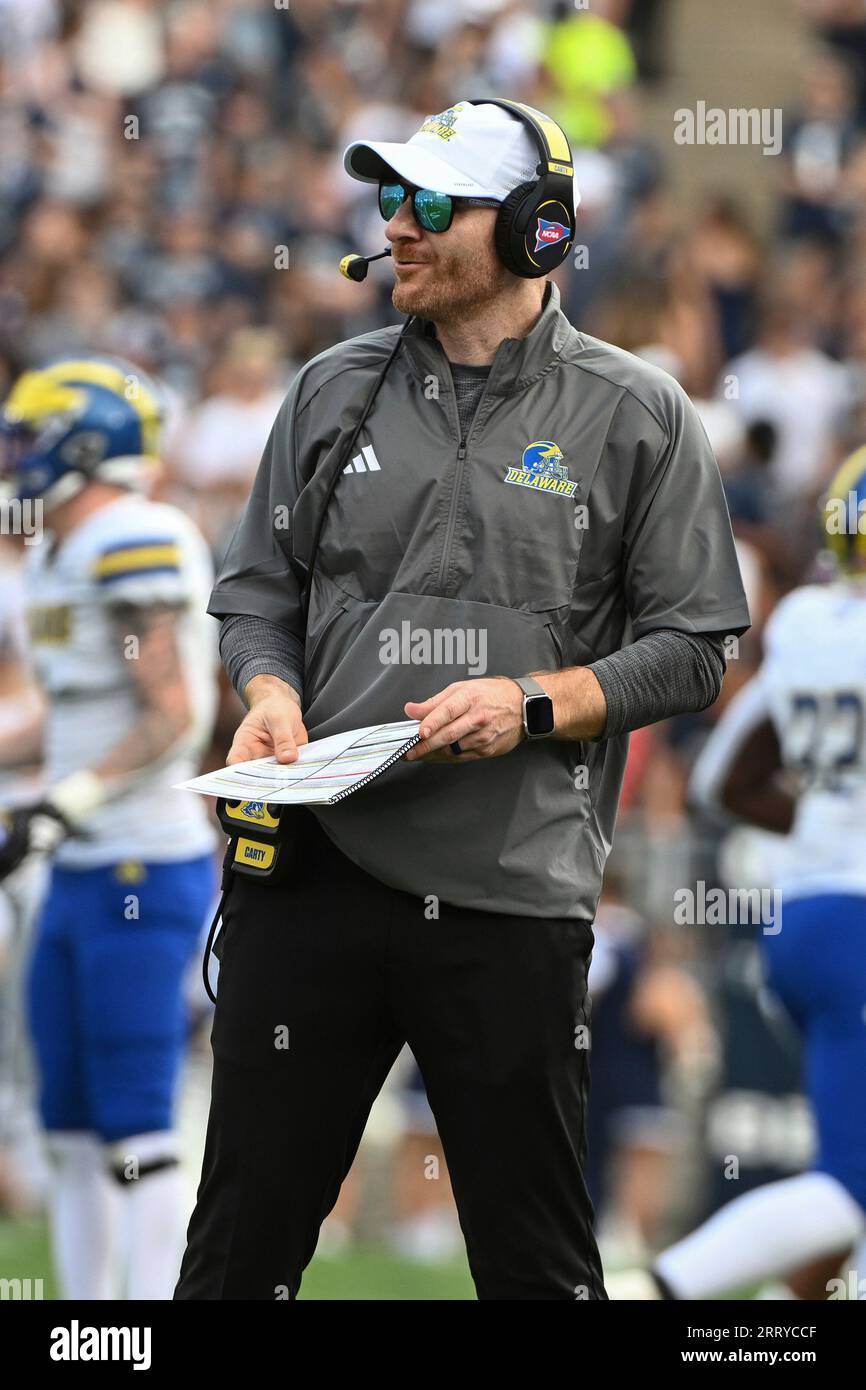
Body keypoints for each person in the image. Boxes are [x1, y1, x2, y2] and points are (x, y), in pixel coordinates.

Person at [176, 98, 749, 1301]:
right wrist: (267, 689)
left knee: (536, 1269)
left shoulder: (639, 414)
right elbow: (253, 590)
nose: (397, 225)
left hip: (509, 894)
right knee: (236, 1256)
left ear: (538, 231)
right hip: (310, 869)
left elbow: (694, 645)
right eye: (389, 199)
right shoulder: (329, 389)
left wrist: (534, 703)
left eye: (433, 204)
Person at [609, 447, 866, 1301]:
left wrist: (827, 824)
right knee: (851, 1184)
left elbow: (725, 778)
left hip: (801, 917)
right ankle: (659, 1290)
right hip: (859, 925)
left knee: (848, 1167)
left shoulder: (806, 626)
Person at [0, 356, 220, 1299]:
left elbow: (171, 713)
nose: (15, 457)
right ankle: (85, 1327)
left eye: (30, 437)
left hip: (142, 856)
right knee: (68, 1117)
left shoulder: (135, 534)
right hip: (84, 860)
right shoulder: (57, 550)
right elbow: (76, 704)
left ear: (85, 443)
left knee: (135, 1113)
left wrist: (64, 802)